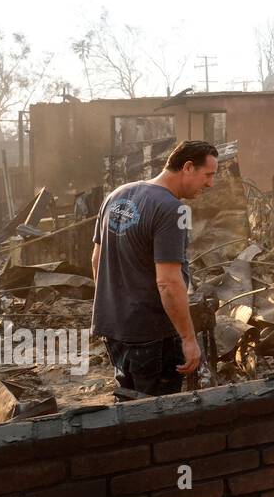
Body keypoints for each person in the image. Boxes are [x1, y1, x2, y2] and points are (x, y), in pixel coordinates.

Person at [91, 140, 217, 396]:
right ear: (188, 167)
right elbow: (168, 283)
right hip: (152, 337)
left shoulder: (116, 195)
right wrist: (188, 339)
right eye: (209, 175)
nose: (210, 184)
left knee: (128, 404)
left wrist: (117, 306)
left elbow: (96, 259)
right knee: (155, 416)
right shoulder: (174, 209)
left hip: (114, 329)